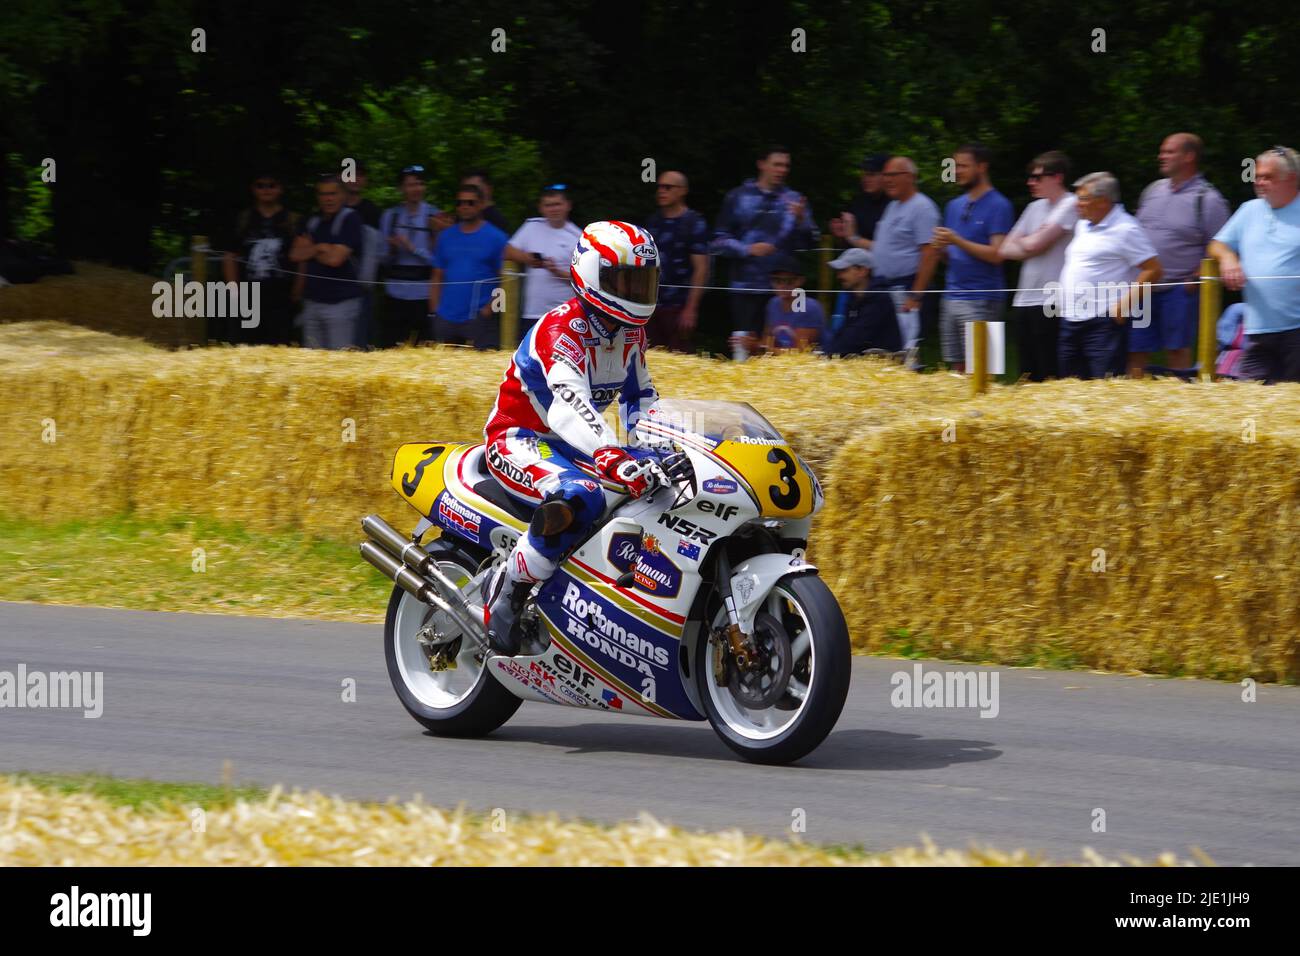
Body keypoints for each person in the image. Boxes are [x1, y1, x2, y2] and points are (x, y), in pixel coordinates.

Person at [479, 220, 664, 653]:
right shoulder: (562, 329)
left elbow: (641, 398)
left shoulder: (630, 333)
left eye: (644, 280)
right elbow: (568, 404)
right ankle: (507, 595)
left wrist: (663, 446)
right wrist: (611, 453)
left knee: (643, 492)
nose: (637, 291)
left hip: (569, 445)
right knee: (582, 493)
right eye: (625, 280)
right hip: (519, 437)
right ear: (592, 274)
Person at [1133, 133, 1231, 375]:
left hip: (1179, 290)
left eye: (1169, 152)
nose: (1161, 156)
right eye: (1162, 151)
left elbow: (1222, 245)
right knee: (1136, 348)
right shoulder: (1152, 190)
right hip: (1143, 287)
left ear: (1189, 156)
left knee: (1177, 350)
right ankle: (1133, 405)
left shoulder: (1208, 199)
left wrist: (1196, 278)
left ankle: (1179, 405)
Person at [711, 145, 818, 360]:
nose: (782, 170)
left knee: (779, 347)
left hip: (782, 292)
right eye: (777, 164)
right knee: (743, 349)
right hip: (745, 288)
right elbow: (717, 241)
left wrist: (801, 222)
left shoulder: (795, 199)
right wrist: (746, 249)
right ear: (762, 164)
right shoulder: (738, 197)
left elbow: (811, 242)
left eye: (786, 166)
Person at [1056, 172, 1162, 379]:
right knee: (1068, 386)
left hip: (1102, 322)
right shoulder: (1083, 226)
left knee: (1104, 386)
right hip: (1071, 319)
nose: (1077, 204)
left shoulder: (1126, 228)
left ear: (1103, 202)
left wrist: (1123, 306)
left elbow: (1154, 269)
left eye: (1083, 198)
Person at [1208, 146, 1300, 382]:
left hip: (1296, 331)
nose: (1259, 182)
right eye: (1257, 176)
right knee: (1253, 403)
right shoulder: (1249, 210)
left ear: (1291, 178)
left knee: (1291, 406)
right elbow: (1216, 245)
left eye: (1267, 177)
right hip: (1257, 330)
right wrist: (1228, 258)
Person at [995, 150, 1079, 381]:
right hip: (1024, 298)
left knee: (1050, 369)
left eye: (1038, 177)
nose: (1031, 182)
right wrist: (1031, 241)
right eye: (1031, 177)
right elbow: (1004, 249)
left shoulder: (1070, 204)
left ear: (1057, 177)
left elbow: (1034, 245)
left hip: (1052, 299)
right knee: (1027, 372)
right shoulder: (1034, 208)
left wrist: (1028, 242)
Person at [931, 143, 1015, 372]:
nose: (957, 171)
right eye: (955, 166)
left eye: (964, 166)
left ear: (982, 167)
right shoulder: (953, 206)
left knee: (983, 368)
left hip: (983, 297)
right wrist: (941, 250)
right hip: (951, 296)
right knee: (956, 367)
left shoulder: (999, 205)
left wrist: (956, 240)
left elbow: (997, 255)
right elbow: (954, 255)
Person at [850, 156, 941, 362]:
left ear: (910, 177)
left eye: (893, 175)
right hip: (885, 288)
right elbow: (884, 248)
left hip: (907, 289)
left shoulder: (922, 207)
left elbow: (930, 253)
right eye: (885, 175)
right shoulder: (893, 206)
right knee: (885, 348)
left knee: (906, 350)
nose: (887, 180)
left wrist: (916, 295)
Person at [221, 170, 300, 345]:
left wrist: (297, 290)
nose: (266, 190)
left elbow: (302, 259)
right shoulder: (243, 219)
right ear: (253, 189)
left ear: (280, 189)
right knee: (246, 346)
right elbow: (230, 256)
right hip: (248, 296)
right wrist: (234, 291)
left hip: (282, 297)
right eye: (261, 185)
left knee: (280, 348)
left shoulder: (293, 220)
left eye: (271, 185)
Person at [427, 183, 508, 348]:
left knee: (479, 371)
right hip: (445, 317)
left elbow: (506, 281)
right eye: (460, 203)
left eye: (470, 202)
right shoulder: (446, 236)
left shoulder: (497, 237)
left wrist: (488, 311)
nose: (464, 207)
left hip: (479, 319)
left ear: (480, 205)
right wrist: (434, 310)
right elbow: (437, 275)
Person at [289, 174, 366, 349]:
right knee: (313, 363)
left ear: (343, 195)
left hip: (341, 304)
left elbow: (335, 259)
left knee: (338, 362)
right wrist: (320, 247)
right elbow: (294, 254)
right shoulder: (311, 220)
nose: (328, 199)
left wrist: (311, 249)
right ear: (317, 197)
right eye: (323, 194)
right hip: (312, 302)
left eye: (333, 193)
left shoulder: (350, 219)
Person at [377, 164, 446, 347]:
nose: (416, 189)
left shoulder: (435, 215)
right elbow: (382, 258)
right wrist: (392, 250)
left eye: (420, 184)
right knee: (392, 348)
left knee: (424, 350)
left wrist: (413, 249)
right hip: (395, 294)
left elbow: (440, 261)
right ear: (401, 188)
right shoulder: (389, 216)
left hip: (424, 296)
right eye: (410, 185)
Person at [645, 170, 710, 352]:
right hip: (650, 306)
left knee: (680, 359)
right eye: (659, 187)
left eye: (668, 187)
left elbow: (701, 269)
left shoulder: (694, 223)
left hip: (679, 307)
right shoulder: (653, 222)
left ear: (682, 191)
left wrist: (691, 308)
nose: (661, 191)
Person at [503, 184, 583, 329]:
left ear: (568, 206)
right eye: (548, 205)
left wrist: (557, 271)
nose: (553, 209)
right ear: (541, 208)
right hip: (532, 313)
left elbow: (585, 280)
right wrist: (527, 258)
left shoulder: (579, 236)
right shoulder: (531, 226)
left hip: (564, 314)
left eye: (557, 204)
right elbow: (507, 251)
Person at [826, 247, 901, 356]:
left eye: (844, 270)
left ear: (863, 271)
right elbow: (844, 334)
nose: (839, 276)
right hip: (862, 363)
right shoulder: (853, 297)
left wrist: (828, 355)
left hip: (881, 366)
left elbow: (856, 336)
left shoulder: (879, 298)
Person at [754, 254, 824, 353]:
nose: (782, 285)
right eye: (776, 280)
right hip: (780, 362)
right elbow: (767, 341)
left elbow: (800, 352)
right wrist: (751, 343)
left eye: (788, 281)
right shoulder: (772, 304)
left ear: (800, 281)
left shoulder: (810, 307)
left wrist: (757, 346)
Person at [829, 153, 890, 249]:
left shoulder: (895, 204)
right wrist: (842, 236)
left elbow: (889, 249)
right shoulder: (859, 202)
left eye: (871, 174)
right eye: (864, 174)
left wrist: (852, 237)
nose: (866, 179)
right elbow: (848, 244)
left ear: (886, 176)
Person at [461, 169, 510, 234]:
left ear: (489, 189)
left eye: (474, 188)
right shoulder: (463, 217)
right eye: (466, 189)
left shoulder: (497, 222)